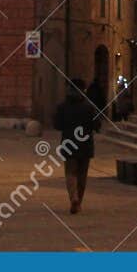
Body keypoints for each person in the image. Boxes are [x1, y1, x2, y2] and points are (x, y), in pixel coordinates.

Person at [53, 79, 99, 214]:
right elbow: (96, 125)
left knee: (70, 172)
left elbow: (57, 125)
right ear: (83, 90)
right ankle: (79, 202)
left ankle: (73, 197)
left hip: (68, 142)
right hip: (86, 143)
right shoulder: (89, 107)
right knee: (82, 174)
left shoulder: (62, 106)